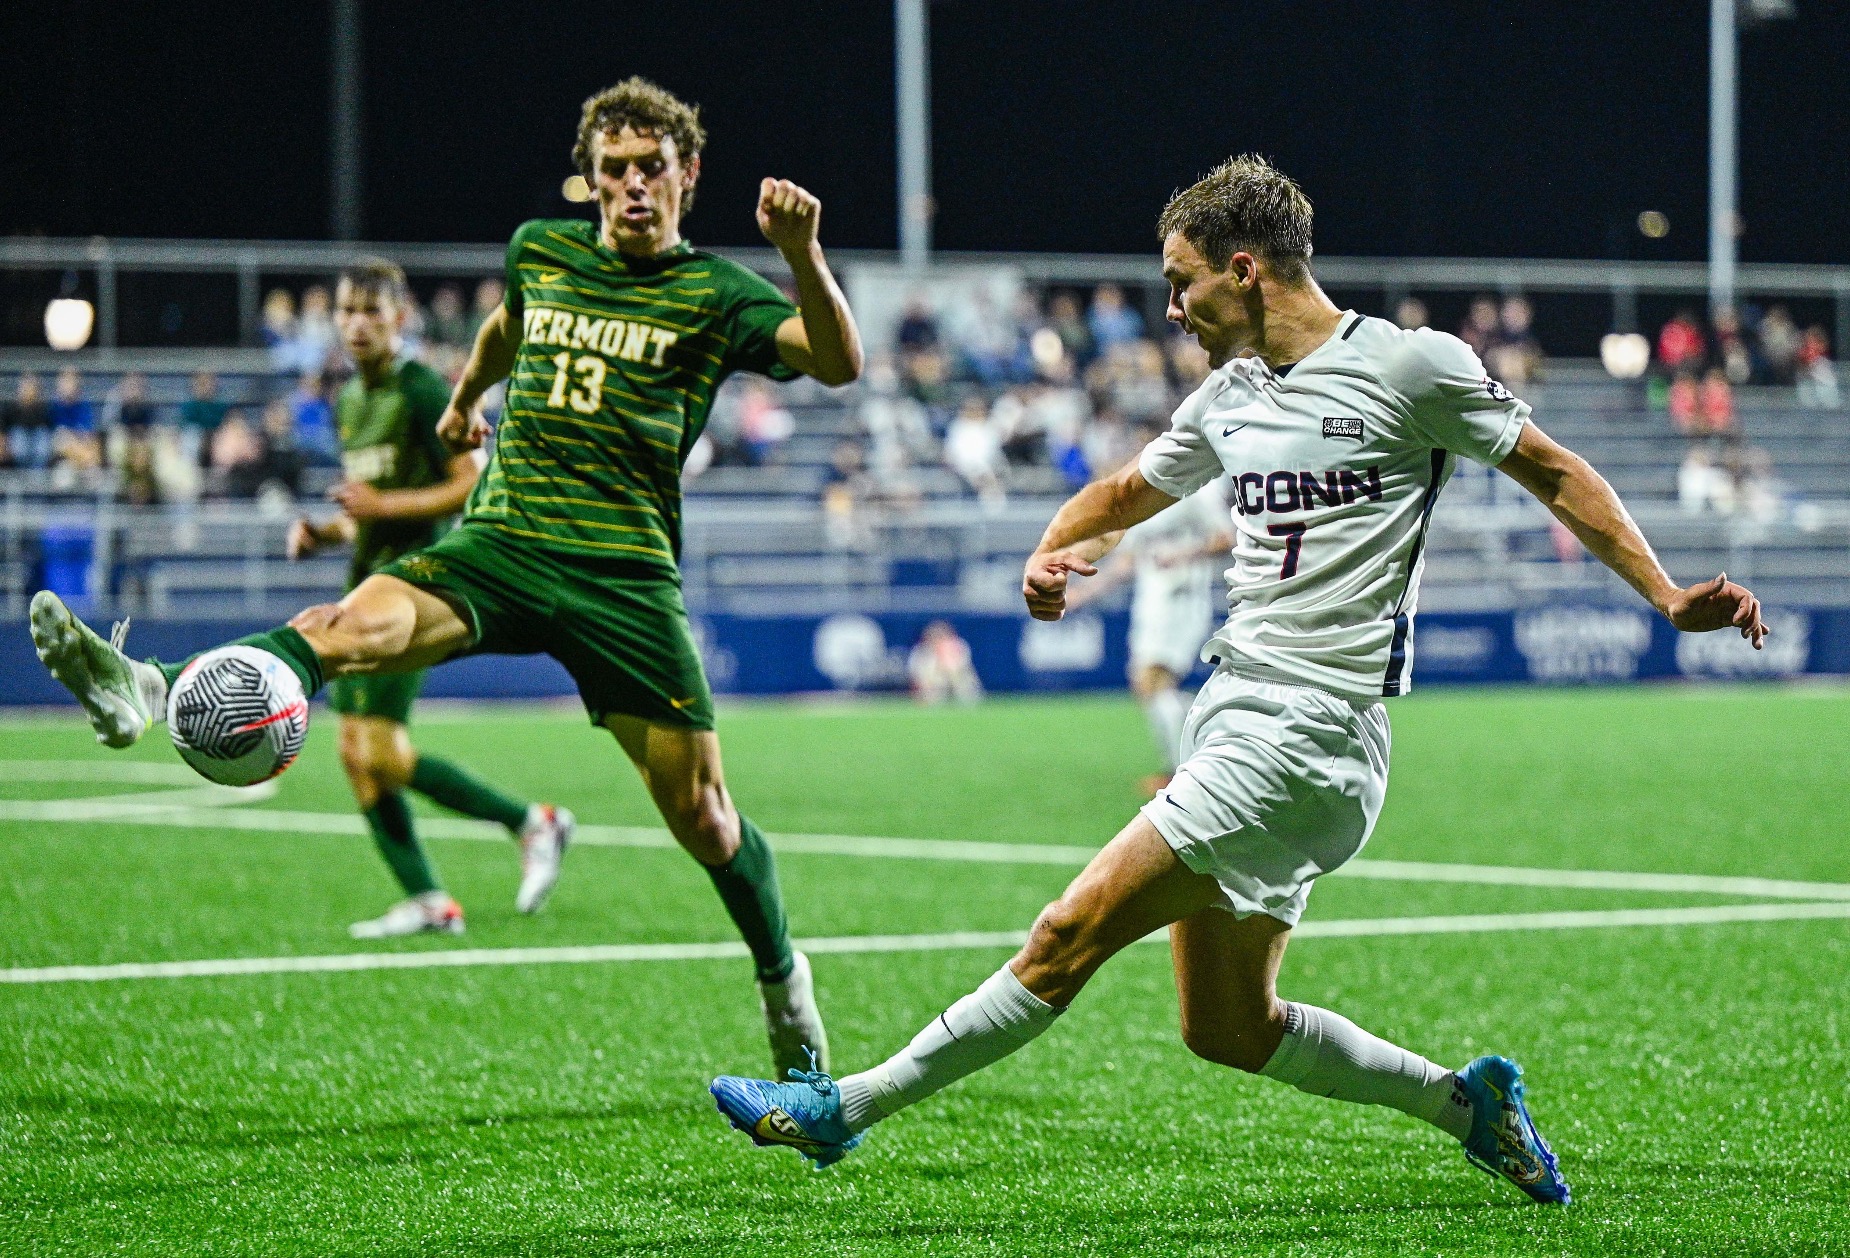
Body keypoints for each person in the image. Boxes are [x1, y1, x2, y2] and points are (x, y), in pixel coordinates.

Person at [708, 154, 1768, 1203]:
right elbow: (1119, 491)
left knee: (1065, 931)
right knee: (1225, 1028)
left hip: (1313, 730)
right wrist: (1050, 552)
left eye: (1181, 280)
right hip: (1231, 718)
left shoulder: (1410, 367)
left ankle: (841, 1110)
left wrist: (1666, 597)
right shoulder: (1230, 396)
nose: (1170, 307)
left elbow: (1554, 471)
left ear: (1245, 266)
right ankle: (1466, 1103)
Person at [28, 77, 862, 1077]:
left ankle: (783, 986)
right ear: (590, 180)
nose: (631, 186)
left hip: (624, 576)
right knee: (339, 625)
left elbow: (837, 360)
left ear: (688, 173)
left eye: (650, 169)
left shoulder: (716, 294)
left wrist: (801, 253)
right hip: (500, 541)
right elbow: (510, 325)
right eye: (613, 171)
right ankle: (151, 685)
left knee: (705, 819)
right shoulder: (539, 250)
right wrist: (468, 396)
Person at [284, 258, 573, 938]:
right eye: (346, 311)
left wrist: (382, 504)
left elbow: (469, 482)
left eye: (371, 312)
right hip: (363, 581)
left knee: (379, 751)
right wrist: (328, 532)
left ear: (400, 319)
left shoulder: (418, 389)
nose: (357, 324)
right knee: (357, 753)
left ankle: (530, 822)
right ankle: (429, 900)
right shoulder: (351, 401)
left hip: (416, 586)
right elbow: (370, 507)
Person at [1066, 443, 1230, 792]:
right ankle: (1203, 754)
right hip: (1151, 600)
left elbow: (1225, 538)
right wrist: (1085, 593)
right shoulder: (1137, 511)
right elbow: (1126, 563)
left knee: (1153, 682)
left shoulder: (1191, 494)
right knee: (1148, 686)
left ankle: (1181, 770)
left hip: (1181, 597)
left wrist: (1183, 555)